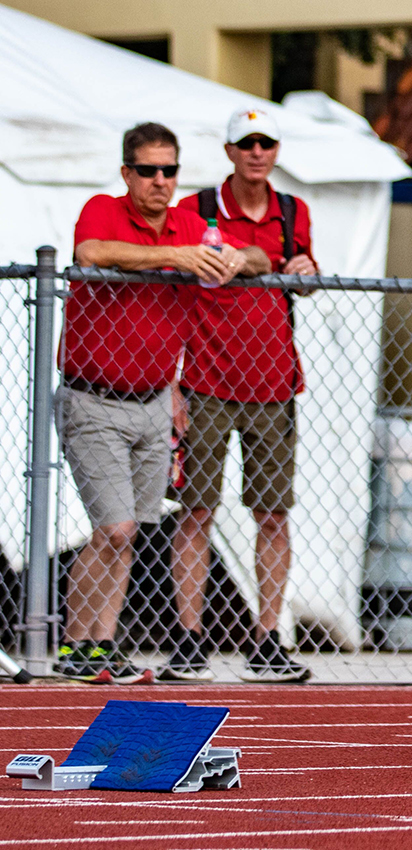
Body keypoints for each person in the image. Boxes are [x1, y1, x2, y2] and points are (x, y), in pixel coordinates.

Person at [53, 123, 259, 681]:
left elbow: (256, 255)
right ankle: (74, 644)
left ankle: (101, 645)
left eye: (169, 170)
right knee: (115, 528)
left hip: (152, 400)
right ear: (127, 173)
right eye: (148, 170)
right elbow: (92, 251)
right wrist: (178, 256)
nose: (160, 181)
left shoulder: (191, 225)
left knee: (129, 534)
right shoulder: (104, 209)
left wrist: (234, 261)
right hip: (94, 398)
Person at [163, 108, 319, 683]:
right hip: (205, 382)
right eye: (246, 142)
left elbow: (304, 274)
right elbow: (170, 287)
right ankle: (189, 639)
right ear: (229, 151)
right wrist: (173, 381)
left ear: (276, 150)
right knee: (196, 512)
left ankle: (267, 638)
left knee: (273, 514)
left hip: (274, 384)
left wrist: (305, 270)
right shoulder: (195, 209)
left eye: (266, 142)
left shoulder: (293, 211)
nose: (257, 152)